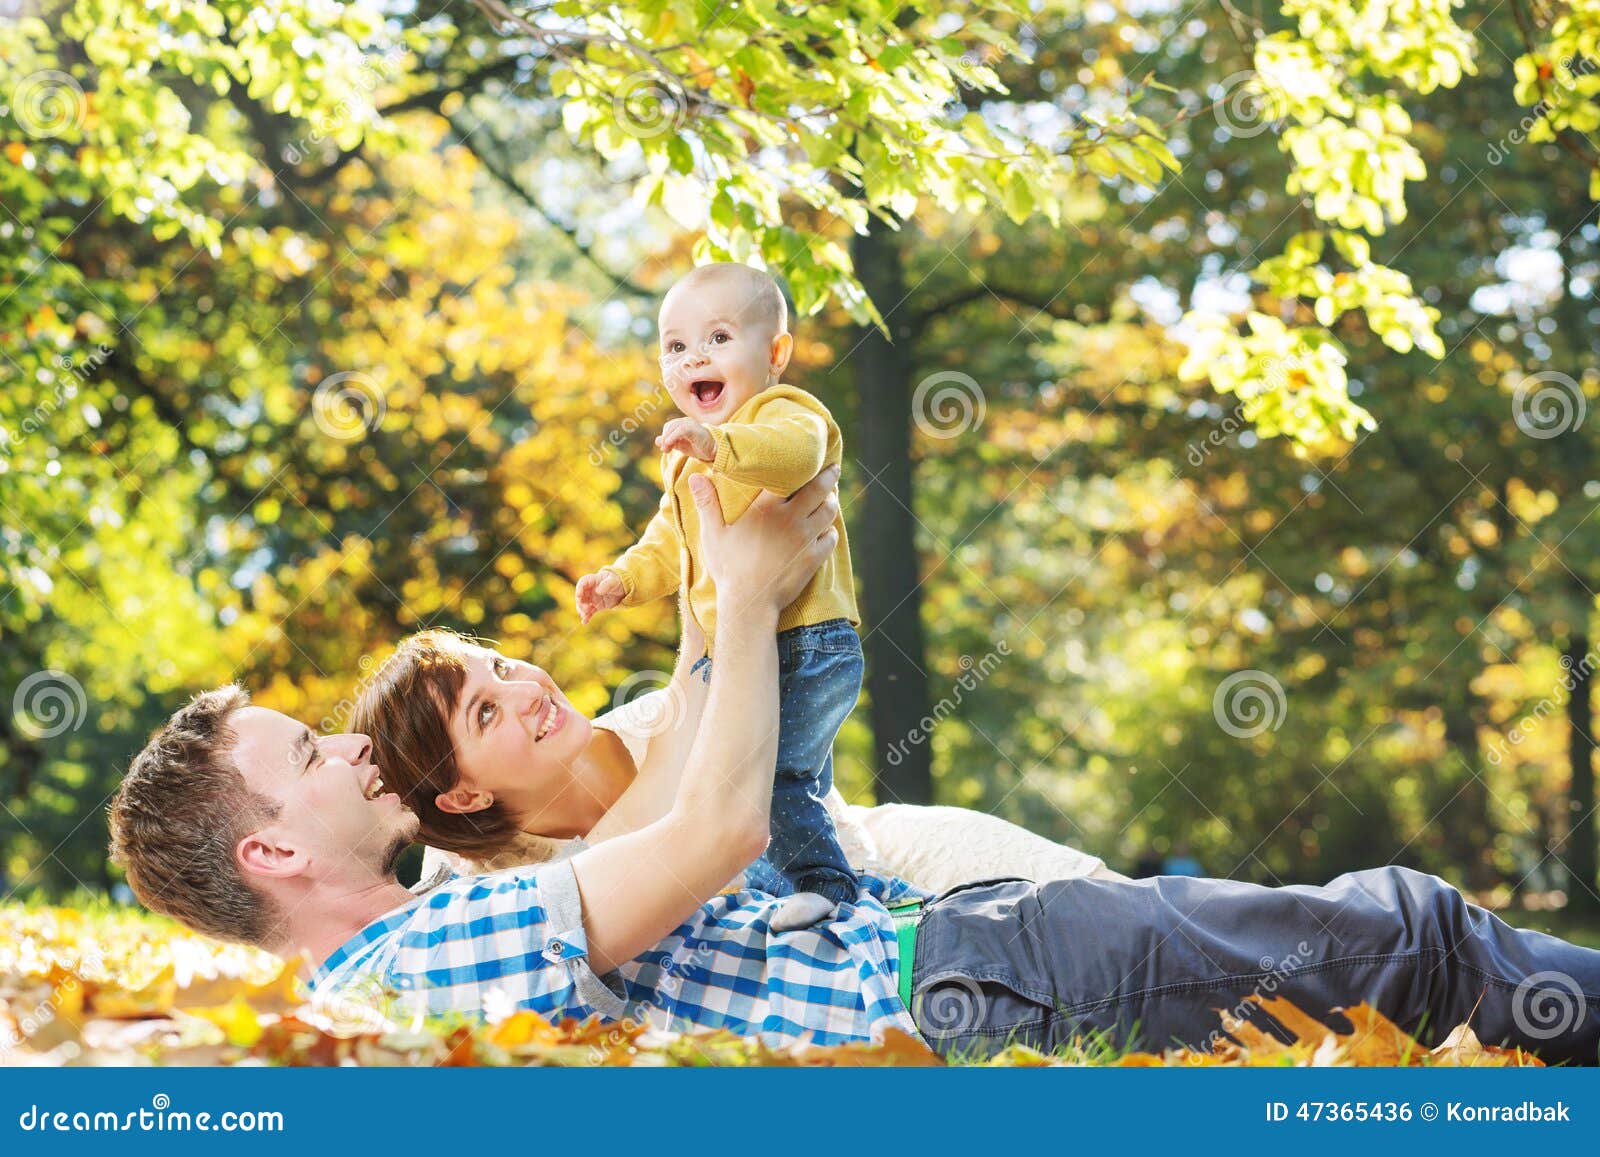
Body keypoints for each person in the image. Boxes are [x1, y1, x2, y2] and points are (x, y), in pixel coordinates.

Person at [110, 468, 1600, 1063]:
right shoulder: (416, 957)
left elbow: (702, 804)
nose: (348, 751)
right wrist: (747, 594)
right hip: (972, 977)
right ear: (269, 853)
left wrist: (723, 567)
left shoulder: (405, 974)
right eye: (307, 756)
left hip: (963, 954)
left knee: (1387, 945)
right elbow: (712, 830)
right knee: (1404, 930)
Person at [576, 262, 860, 930]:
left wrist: (718, 444)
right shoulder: (682, 458)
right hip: (740, 652)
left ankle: (827, 891)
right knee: (774, 780)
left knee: (764, 780)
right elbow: (666, 541)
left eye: (719, 337)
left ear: (776, 354)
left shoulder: (783, 412)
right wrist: (623, 579)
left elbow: (792, 455)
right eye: (675, 347)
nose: (694, 356)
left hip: (805, 638)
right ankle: (792, 892)